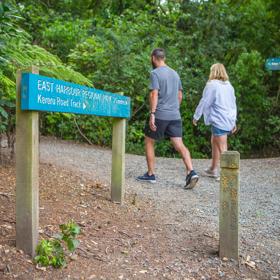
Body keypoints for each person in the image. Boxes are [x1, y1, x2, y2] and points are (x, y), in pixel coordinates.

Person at [137, 48, 199, 189]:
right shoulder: (175, 74)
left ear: (153, 58)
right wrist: (174, 109)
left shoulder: (155, 73)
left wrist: (152, 114)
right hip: (175, 115)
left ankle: (151, 174)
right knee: (179, 144)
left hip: (160, 114)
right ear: (164, 58)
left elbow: (154, 94)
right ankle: (191, 171)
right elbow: (180, 96)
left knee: (149, 141)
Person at [193, 63, 237, 178]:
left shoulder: (212, 85)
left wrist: (196, 116)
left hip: (219, 119)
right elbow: (233, 105)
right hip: (227, 120)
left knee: (222, 147)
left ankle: (227, 175)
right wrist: (233, 121)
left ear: (213, 72)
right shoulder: (229, 86)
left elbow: (205, 101)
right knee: (215, 141)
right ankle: (213, 168)